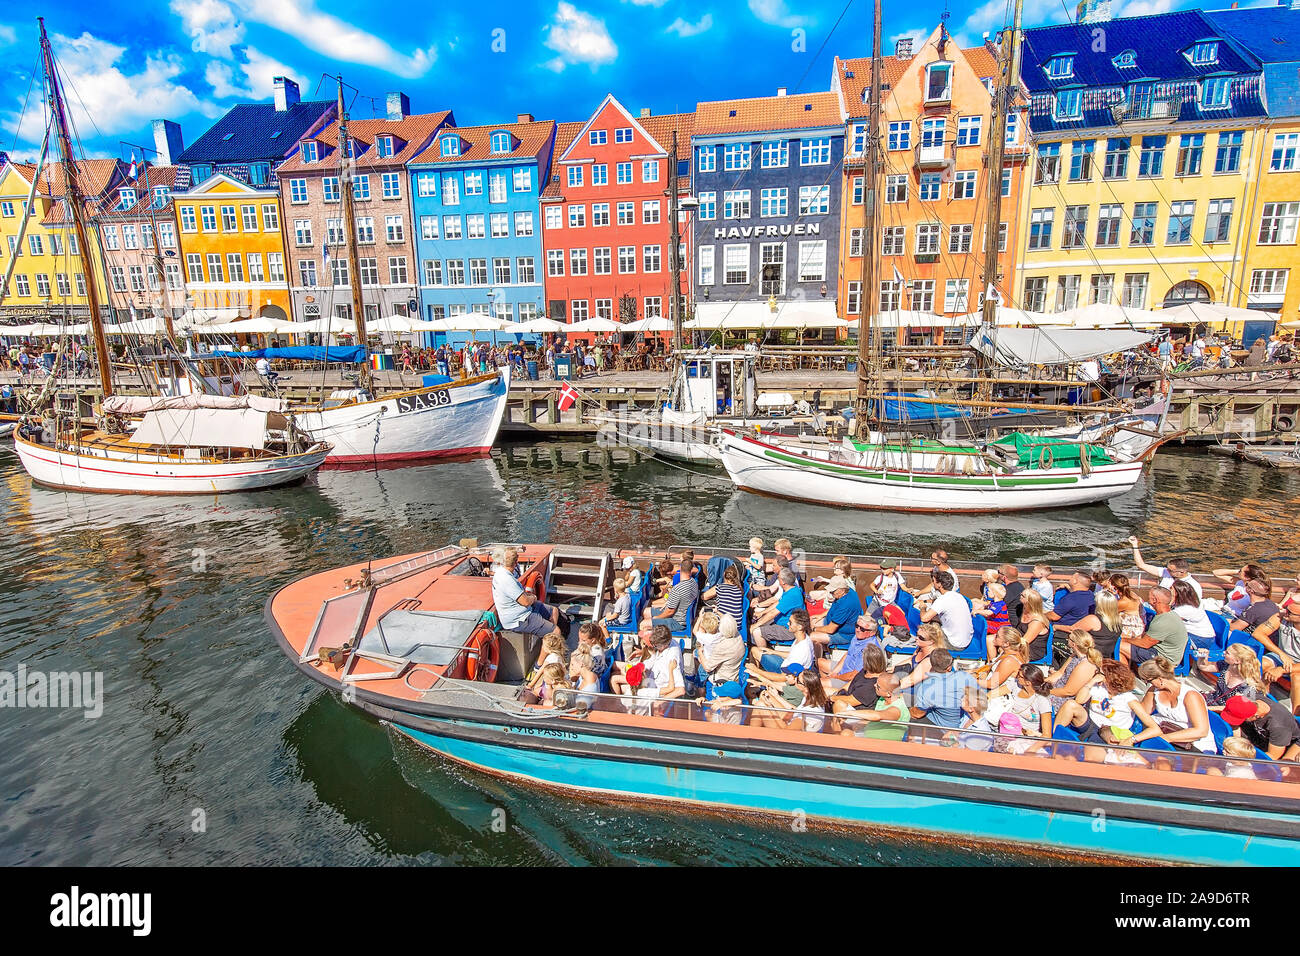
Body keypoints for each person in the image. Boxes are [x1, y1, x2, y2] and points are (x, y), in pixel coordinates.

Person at [1129, 657, 1216, 753]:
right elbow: (1143, 713)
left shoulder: (1190, 696)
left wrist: (1165, 738)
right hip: (1164, 731)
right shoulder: (1154, 690)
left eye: (1148, 681)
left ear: (1160, 679)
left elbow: (1201, 731)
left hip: (1190, 742)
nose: (1147, 684)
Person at [1054, 658, 1140, 751]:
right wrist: (1092, 681)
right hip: (1091, 722)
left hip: (1110, 731)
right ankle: (1052, 738)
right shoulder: (1098, 686)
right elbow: (1079, 700)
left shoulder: (1129, 699)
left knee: (1092, 751)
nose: (1096, 673)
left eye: (1099, 672)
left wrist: (1132, 739)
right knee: (1070, 705)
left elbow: (1153, 728)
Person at [490, 546, 561, 638]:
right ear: (516, 562)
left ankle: (548, 639)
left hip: (523, 611)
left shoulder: (500, 572)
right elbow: (526, 602)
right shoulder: (507, 579)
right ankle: (550, 638)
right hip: (518, 619)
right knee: (556, 631)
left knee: (554, 611)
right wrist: (533, 598)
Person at [1121, 587, 1188, 669]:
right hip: (1158, 651)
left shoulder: (1163, 621)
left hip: (1163, 660)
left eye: (1149, 596)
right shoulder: (1168, 615)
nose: (1147, 599)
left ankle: (1124, 675)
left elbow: (1144, 644)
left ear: (1154, 600)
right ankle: (1128, 670)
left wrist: (1122, 639)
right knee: (1122, 643)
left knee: (1118, 645)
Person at [909, 649, 976, 729]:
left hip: (943, 729)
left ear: (932, 666)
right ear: (949, 667)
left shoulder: (927, 688)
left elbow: (917, 714)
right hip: (966, 723)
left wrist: (908, 710)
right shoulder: (966, 677)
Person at [1221, 695, 1300, 761]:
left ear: (1256, 716)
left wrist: (1242, 757)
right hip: (1258, 737)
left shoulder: (1279, 726)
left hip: (1281, 746)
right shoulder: (1252, 698)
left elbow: (1272, 756)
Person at [750, 670, 831, 733]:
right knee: (766, 697)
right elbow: (795, 711)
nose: (795, 680)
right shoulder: (809, 698)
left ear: (806, 688)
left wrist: (771, 710)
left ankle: (750, 739)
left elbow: (788, 733)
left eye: (798, 680)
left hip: (788, 738)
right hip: (790, 724)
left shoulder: (810, 713)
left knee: (761, 705)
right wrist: (775, 697)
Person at [1127, 538, 1203, 603]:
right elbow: (1141, 565)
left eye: (1170, 570)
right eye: (1167, 568)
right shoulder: (1167, 572)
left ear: (1182, 572)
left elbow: (1194, 604)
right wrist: (1135, 545)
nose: (1166, 571)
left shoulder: (1194, 585)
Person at [750, 609, 815, 684]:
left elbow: (783, 678)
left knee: (754, 651)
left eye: (790, 623)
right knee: (756, 650)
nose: (787, 624)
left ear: (800, 627)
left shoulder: (802, 650)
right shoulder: (804, 638)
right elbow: (792, 655)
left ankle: (755, 680)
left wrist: (756, 670)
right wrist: (773, 652)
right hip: (785, 665)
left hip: (784, 674)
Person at [844, 671, 910, 740]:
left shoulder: (897, 709)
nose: (874, 685)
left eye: (878, 686)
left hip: (883, 745)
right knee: (844, 728)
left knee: (846, 734)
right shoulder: (882, 699)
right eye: (876, 682)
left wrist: (850, 713)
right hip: (868, 735)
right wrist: (857, 724)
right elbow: (877, 721)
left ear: (888, 694)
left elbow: (878, 716)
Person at [918, 569, 973, 650]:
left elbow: (924, 618)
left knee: (926, 630)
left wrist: (923, 607)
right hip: (965, 640)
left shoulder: (943, 599)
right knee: (934, 622)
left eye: (934, 581)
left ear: (939, 584)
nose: (932, 584)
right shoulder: (959, 596)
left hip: (954, 644)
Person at [696, 612, 745, 700]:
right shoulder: (738, 635)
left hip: (722, 677)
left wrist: (700, 652)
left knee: (699, 658)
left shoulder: (722, 646)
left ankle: (700, 695)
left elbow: (708, 667)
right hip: (734, 670)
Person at [1043, 628, 1103, 701]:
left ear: (1073, 644)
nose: (1067, 639)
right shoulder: (1074, 656)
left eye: (1069, 638)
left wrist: (1046, 692)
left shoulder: (1086, 665)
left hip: (1064, 698)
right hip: (1057, 689)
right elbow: (1060, 673)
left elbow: (1069, 692)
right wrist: (1042, 684)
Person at [1203, 643, 1267, 710]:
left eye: (1227, 653)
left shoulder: (1247, 686)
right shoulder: (1226, 665)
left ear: (1237, 661)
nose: (1224, 653)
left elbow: (1237, 708)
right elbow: (1205, 667)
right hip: (1211, 699)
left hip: (1223, 710)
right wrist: (1202, 657)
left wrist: (1207, 708)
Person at [828, 643, 889, 713]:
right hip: (849, 695)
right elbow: (850, 683)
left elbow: (852, 700)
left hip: (856, 711)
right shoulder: (865, 670)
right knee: (824, 692)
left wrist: (831, 698)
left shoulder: (872, 684)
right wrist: (837, 693)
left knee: (838, 704)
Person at [811, 574, 862, 650]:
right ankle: (824, 648)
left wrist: (814, 629)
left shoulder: (845, 605)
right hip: (832, 623)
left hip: (844, 635)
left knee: (811, 636)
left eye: (832, 591)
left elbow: (830, 630)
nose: (831, 593)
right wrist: (821, 615)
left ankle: (820, 657)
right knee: (812, 620)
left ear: (841, 590)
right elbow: (835, 608)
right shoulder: (848, 591)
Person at [751, 568, 805, 639]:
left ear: (783, 582)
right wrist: (762, 613)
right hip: (780, 621)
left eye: (778, 577)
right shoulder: (791, 589)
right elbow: (778, 603)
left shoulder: (791, 596)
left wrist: (755, 626)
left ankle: (763, 649)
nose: (777, 579)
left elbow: (773, 613)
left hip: (788, 629)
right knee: (759, 619)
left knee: (756, 632)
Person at [976, 626, 1030, 695]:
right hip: (991, 689)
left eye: (997, 636)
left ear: (1006, 644)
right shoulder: (1005, 652)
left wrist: (970, 680)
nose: (994, 635)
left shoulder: (1009, 661)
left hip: (998, 695)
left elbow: (992, 684)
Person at [648, 558, 699, 632]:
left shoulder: (677, 588)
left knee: (644, 623)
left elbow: (670, 612)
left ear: (681, 568)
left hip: (677, 621)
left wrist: (656, 618)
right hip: (681, 615)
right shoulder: (694, 582)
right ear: (691, 570)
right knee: (646, 612)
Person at [1074, 589, 1124, 660]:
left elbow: (1073, 631)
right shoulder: (1119, 621)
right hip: (1107, 656)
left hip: (1090, 657)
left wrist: (1056, 627)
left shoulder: (1093, 619)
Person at [1109, 572, 1146, 645]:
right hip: (1139, 628)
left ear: (1114, 587)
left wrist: (1110, 596)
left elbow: (1107, 613)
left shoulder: (1123, 602)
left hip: (1131, 633)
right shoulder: (1132, 595)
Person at [1017, 588, 1051, 663]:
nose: (1020, 596)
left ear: (1029, 602)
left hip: (1032, 650)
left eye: (1023, 596)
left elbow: (1025, 642)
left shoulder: (1036, 622)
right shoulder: (1023, 609)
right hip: (1022, 645)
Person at [999, 564, 1025, 630]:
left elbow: (999, 606)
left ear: (1004, 577)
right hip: (1016, 622)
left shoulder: (1008, 591)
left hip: (1010, 625)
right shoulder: (1020, 586)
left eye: (998, 572)